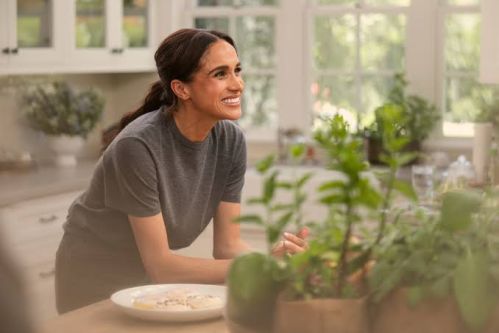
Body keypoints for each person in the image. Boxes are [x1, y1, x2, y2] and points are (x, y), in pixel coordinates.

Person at [55, 28, 308, 314]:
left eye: (237, 70)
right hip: (93, 275)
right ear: (181, 89)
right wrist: (264, 269)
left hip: (148, 279)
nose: (237, 84)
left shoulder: (230, 141)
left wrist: (272, 264)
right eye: (220, 74)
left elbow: (227, 245)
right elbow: (163, 267)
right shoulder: (138, 146)